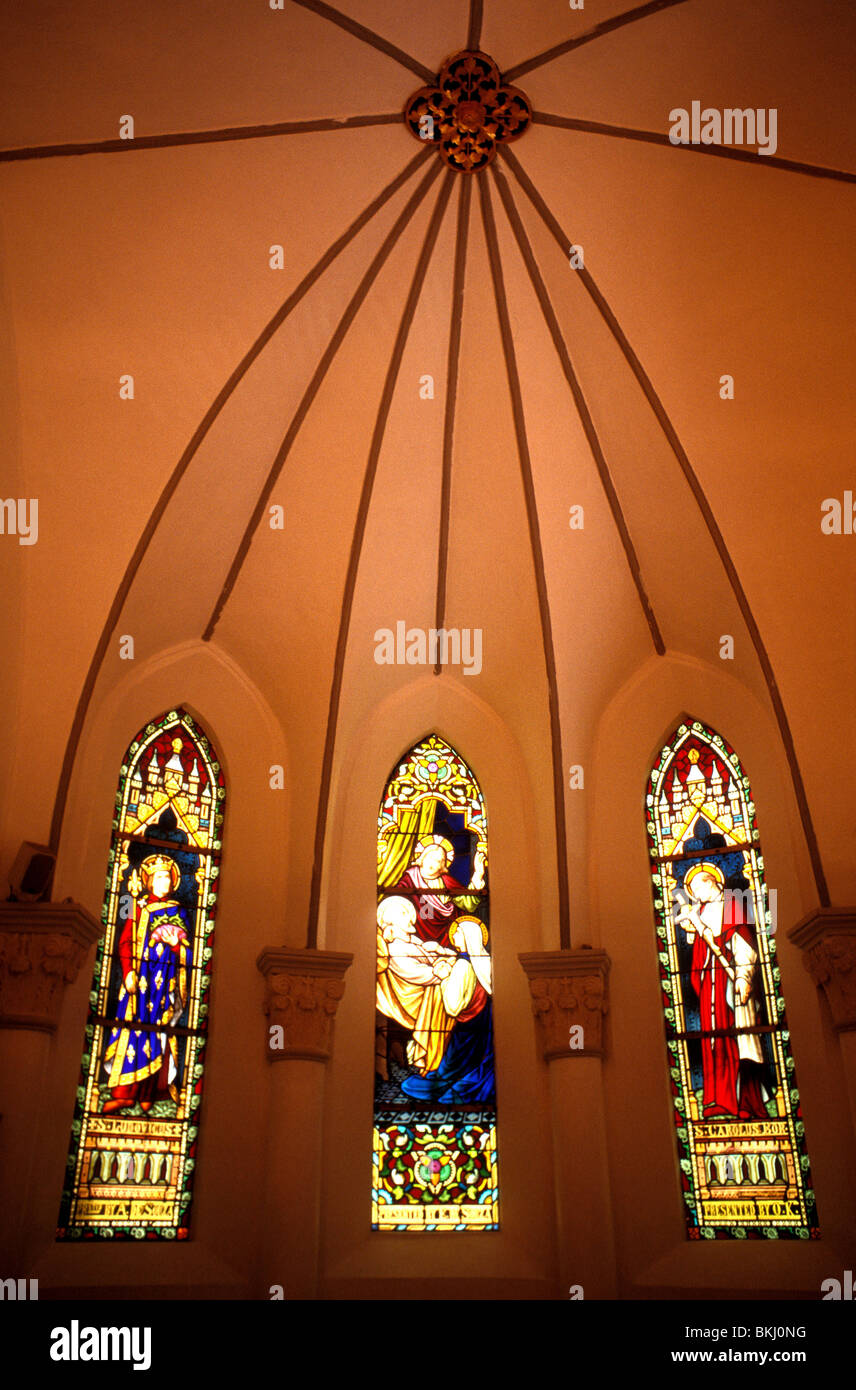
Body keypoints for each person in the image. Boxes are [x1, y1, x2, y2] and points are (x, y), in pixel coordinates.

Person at [376, 896, 494, 1102]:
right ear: (392, 922)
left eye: (457, 932)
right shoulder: (396, 949)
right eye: (404, 914)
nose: (411, 918)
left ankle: (447, 1080)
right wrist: (440, 969)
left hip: (463, 1023)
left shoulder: (462, 964)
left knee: (454, 1065)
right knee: (457, 1061)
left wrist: (441, 960)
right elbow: (417, 972)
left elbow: (453, 1003)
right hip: (439, 1009)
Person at [675, 862, 769, 1119]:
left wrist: (743, 976)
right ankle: (717, 1099)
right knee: (713, 1041)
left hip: (731, 982)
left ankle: (745, 1102)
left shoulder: (732, 905)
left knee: (736, 1039)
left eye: (697, 889)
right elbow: (698, 948)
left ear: (711, 881)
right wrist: (695, 932)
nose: (696, 895)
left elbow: (743, 944)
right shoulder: (700, 911)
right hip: (710, 985)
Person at [102, 853, 190, 1115]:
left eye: (167, 878)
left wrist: (177, 947)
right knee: (131, 1032)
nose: (163, 882)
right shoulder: (132, 903)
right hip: (139, 983)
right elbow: (124, 937)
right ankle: (124, 1094)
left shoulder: (179, 910)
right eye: (158, 877)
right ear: (148, 881)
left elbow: (186, 948)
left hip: (164, 983)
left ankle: (151, 1092)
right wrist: (128, 971)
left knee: (160, 1033)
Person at [392, 834, 486, 945]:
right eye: (430, 857)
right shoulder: (408, 879)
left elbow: (468, 904)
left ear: (443, 866)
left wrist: (478, 876)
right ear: (422, 858)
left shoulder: (447, 882)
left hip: (444, 936)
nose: (432, 863)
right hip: (413, 934)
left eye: (438, 861)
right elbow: (395, 903)